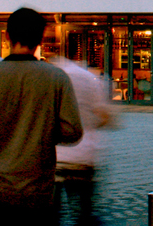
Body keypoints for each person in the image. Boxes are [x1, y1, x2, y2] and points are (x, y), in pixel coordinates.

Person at [0, 7, 84, 221]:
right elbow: (72, 131)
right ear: (41, 38)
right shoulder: (55, 78)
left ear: (7, 36)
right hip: (38, 192)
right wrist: (43, 130)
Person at [53, 57, 115, 226]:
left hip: (57, 157)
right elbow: (106, 117)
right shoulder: (91, 78)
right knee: (84, 212)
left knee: (53, 213)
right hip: (84, 155)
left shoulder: (55, 77)